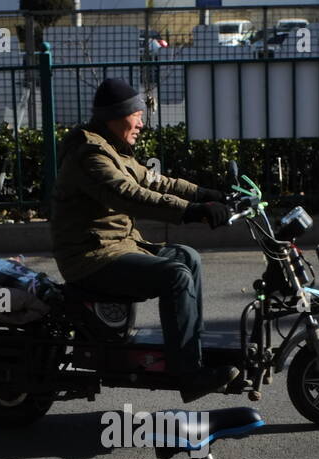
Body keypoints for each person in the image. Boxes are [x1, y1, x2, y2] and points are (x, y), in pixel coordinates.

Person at [49, 77, 238, 403]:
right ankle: (188, 376)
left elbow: (155, 180)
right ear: (117, 115)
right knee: (174, 276)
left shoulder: (112, 149)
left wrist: (208, 194)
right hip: (90, 258)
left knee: (187, 257)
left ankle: (191, 349)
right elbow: (129, 196)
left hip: (115, 246)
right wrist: (192, 211)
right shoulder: (90, 156)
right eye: (138, 113)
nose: (141, 122)